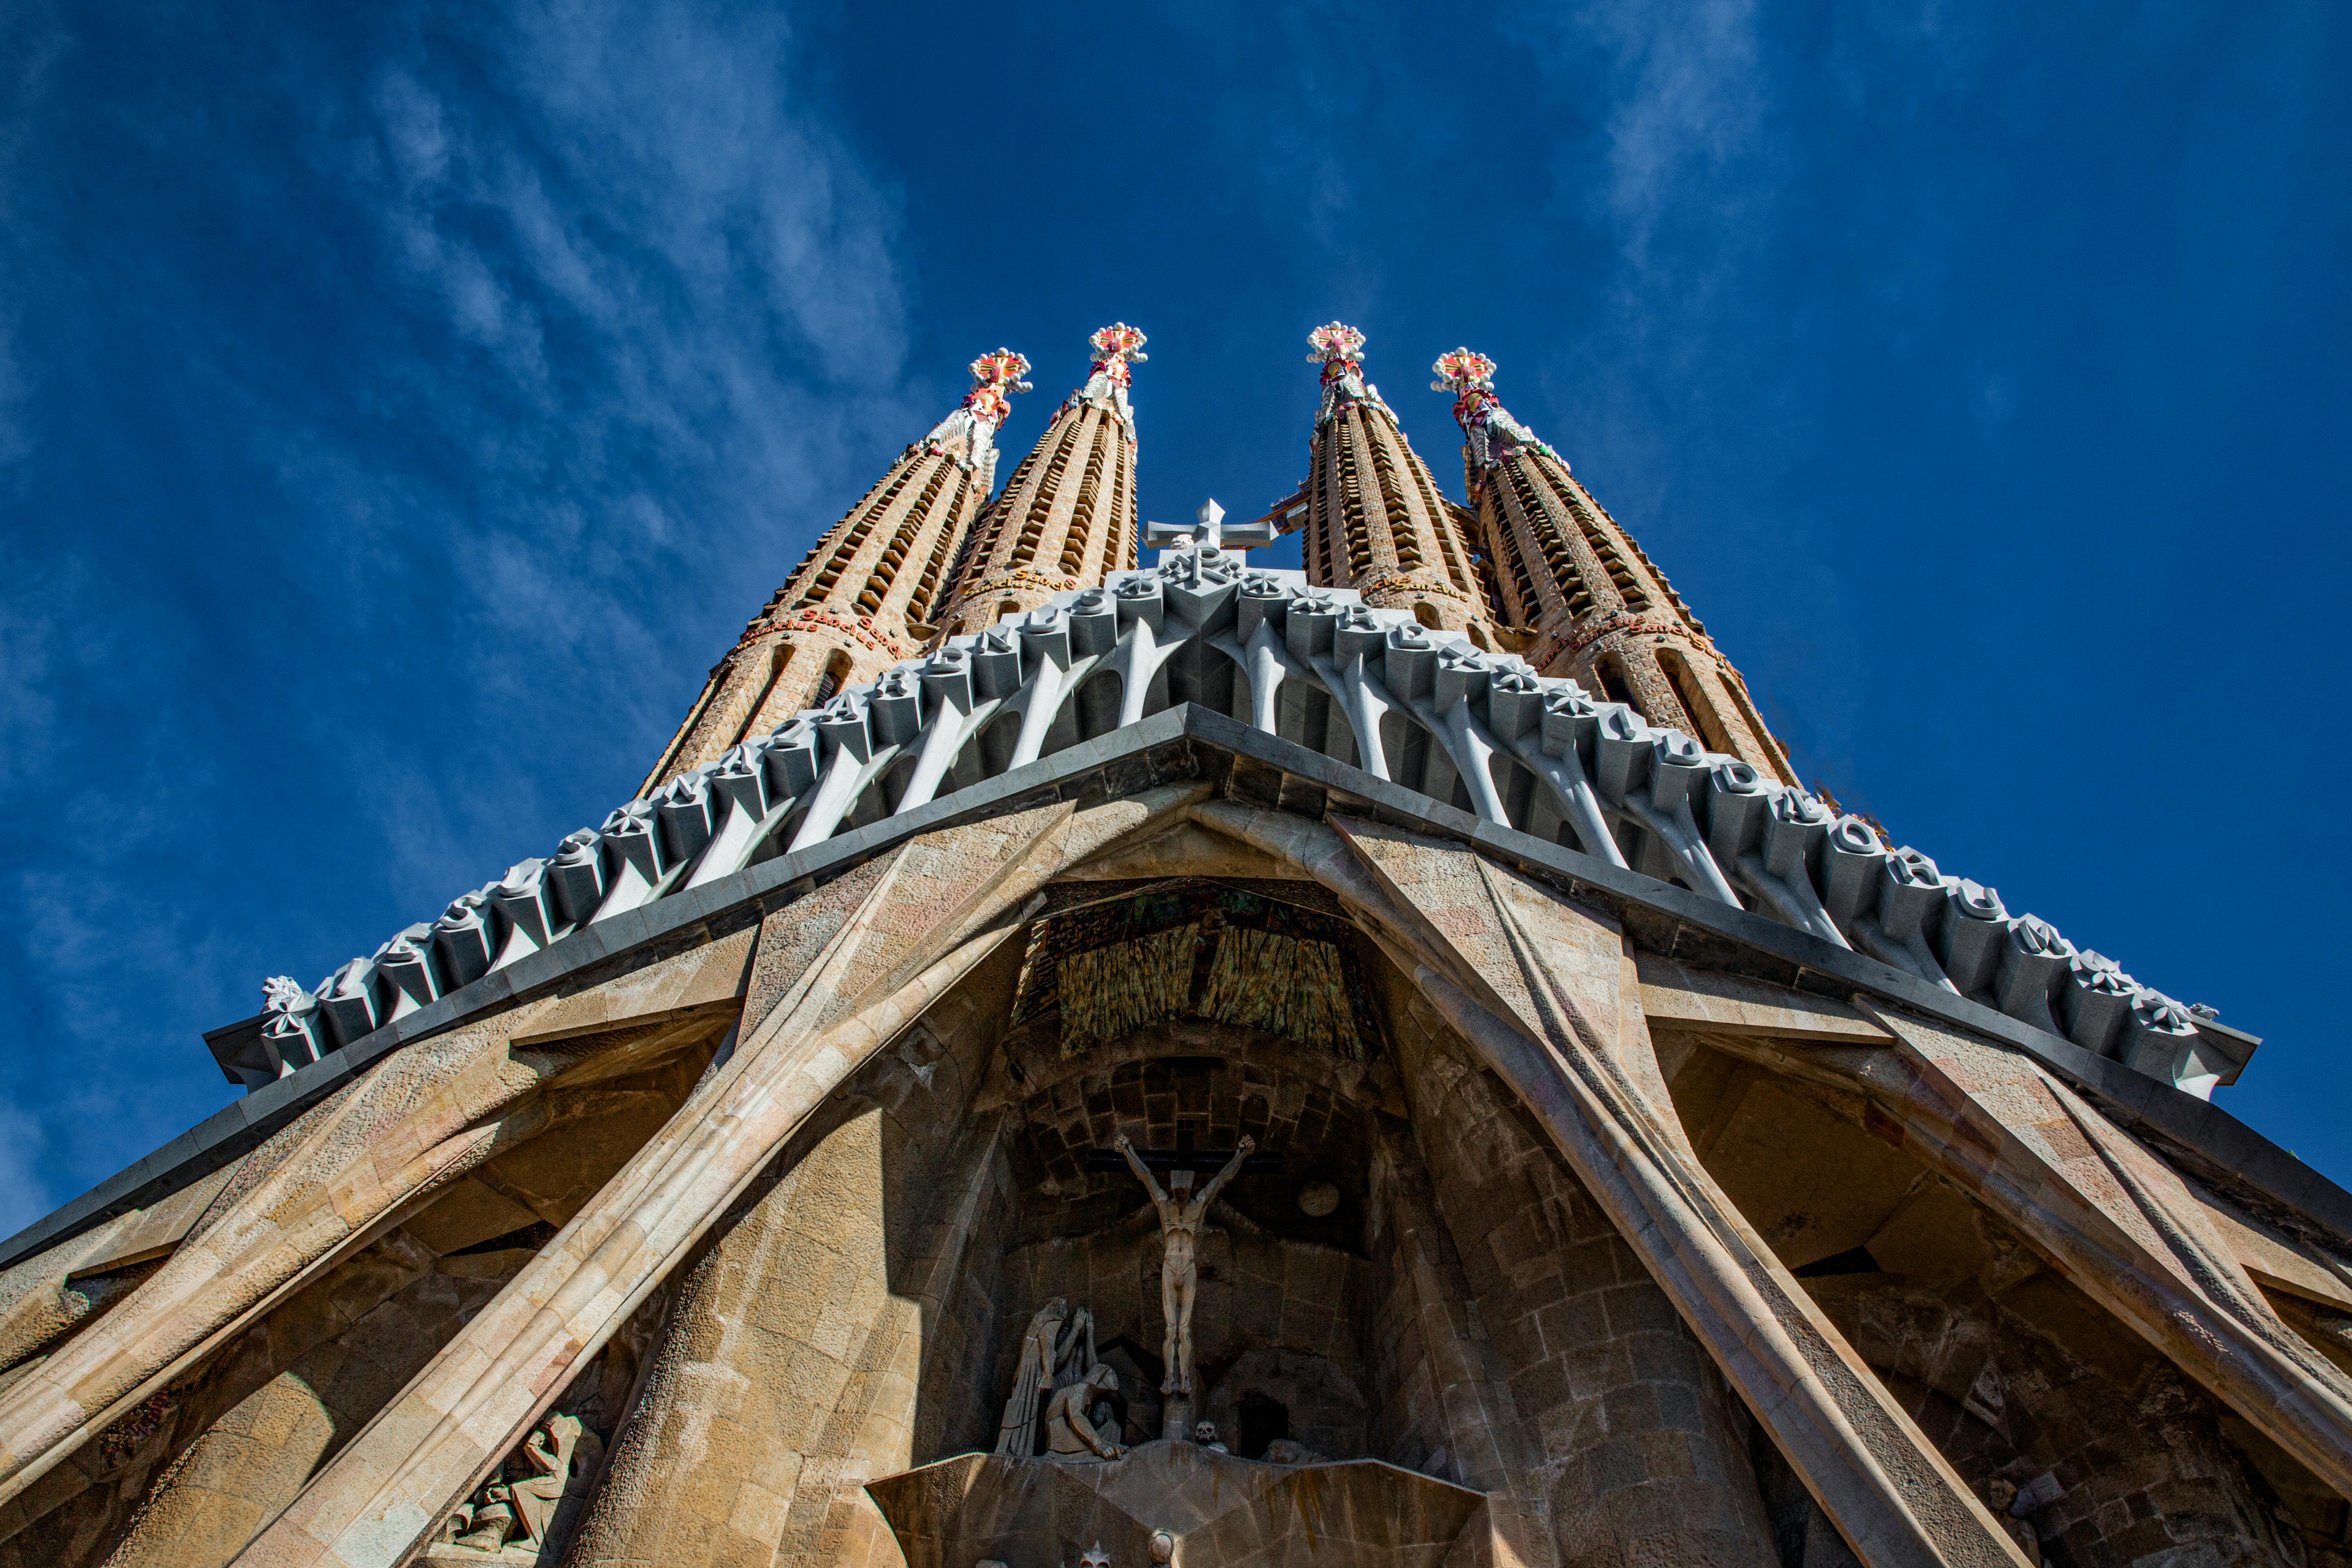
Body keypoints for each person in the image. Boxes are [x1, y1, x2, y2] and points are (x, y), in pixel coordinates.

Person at [1115, 1134, 1254, 1397]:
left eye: (1183, 1193)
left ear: (1188, 1190)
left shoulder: (1199, 1204)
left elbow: (1221, 1180)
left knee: (1184, 1329)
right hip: (1170, 1266)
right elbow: (1145, 1176)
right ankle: (1170, 1378)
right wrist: (1128, 1152)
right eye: (1176, 1192)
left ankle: (1185, 1378)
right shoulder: (1163, 1204)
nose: (1179, 1196)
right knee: (1171, 1329)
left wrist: (1241, 1155)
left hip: (1189, 1267)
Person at [996, 1297, 1091, 1456]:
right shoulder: (1050, 1320)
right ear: (1061, 1311)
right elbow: (1050, 1351)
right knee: (1024, 1408)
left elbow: (1053, 1345)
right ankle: (1014, 1449)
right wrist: (1048, 1373)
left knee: (1022, 1407)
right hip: (1033, 1373)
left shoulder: (1040, 1319)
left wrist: (1074, 1329)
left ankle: (1013, 1448)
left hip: (1029, 1371)